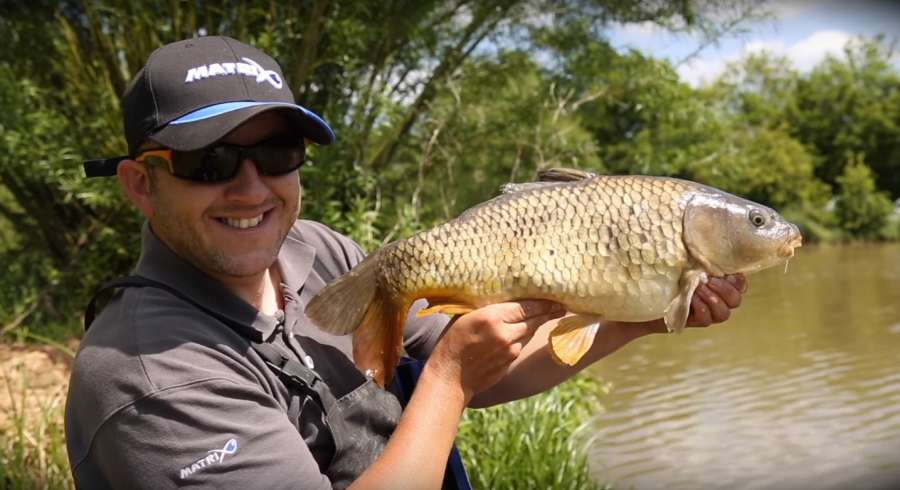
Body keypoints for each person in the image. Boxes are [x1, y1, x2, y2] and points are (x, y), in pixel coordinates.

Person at [64, 36, 748, 490]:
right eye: (207, 161)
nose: (250, 188)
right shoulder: (153, 378)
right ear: (139, 184)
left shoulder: (317, 252)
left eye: (276, 154)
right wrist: (446, 382)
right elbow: (458, 373)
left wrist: (638, 320)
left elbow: (489, 366)